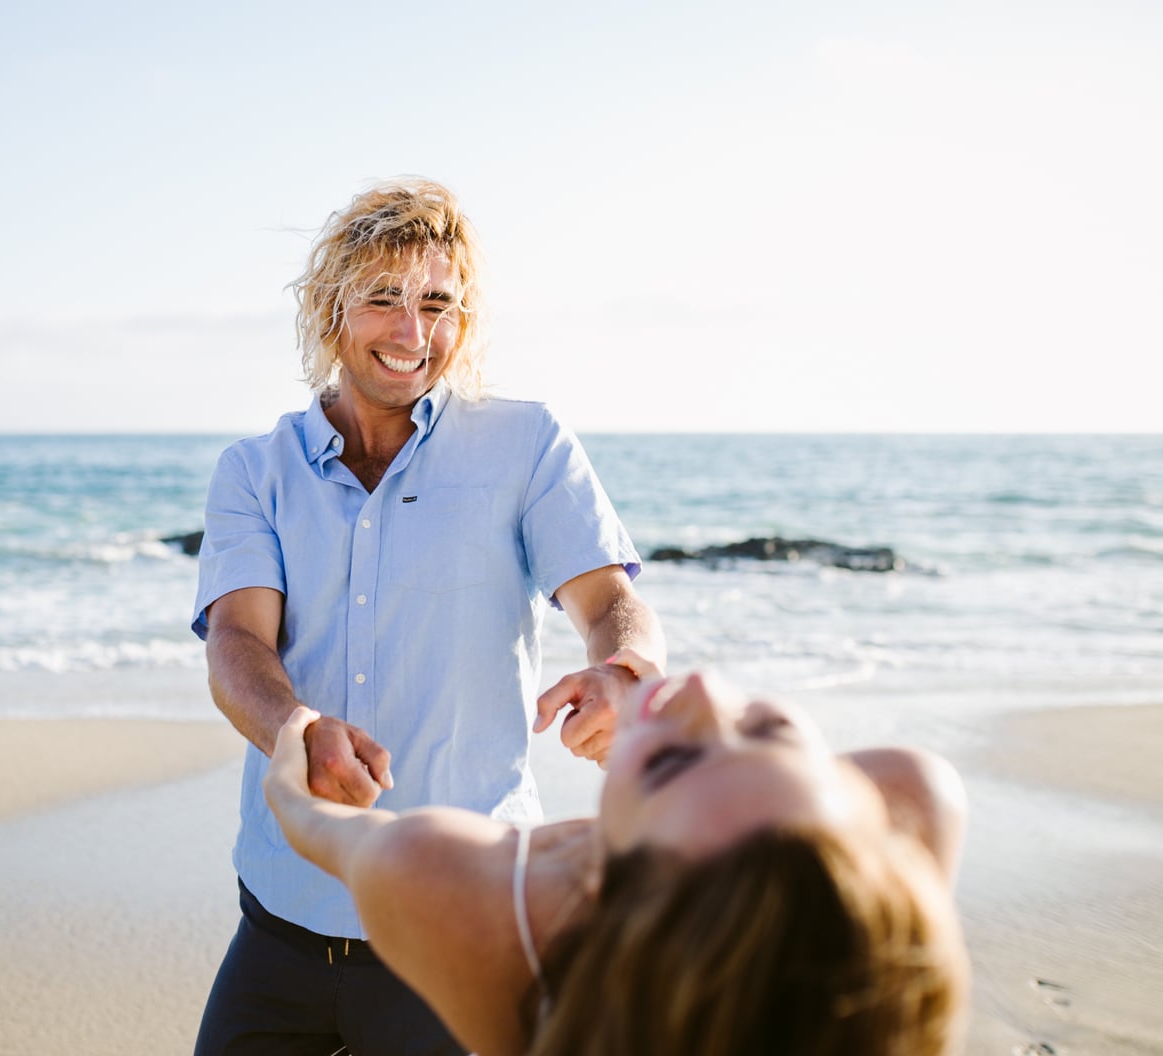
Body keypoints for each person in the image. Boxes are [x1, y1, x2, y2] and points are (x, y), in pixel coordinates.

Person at [191, 178, 667, 1055]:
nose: (413, 334)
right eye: (383, 299)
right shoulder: (256, 471)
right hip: (281, 916)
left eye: (438, 303)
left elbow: (610, 603)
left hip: (462, 927)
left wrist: (623, 672)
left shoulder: (526, 445)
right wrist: (297, 729)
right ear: (331, 310)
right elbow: (236, 643)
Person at [263, 660, 971, 1056]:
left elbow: (302, 813)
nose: (700, 690)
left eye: (669, 762)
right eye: (767, 727)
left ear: (601, 883)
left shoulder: (458, 891)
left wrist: (295, 725)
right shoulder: (912, 801)